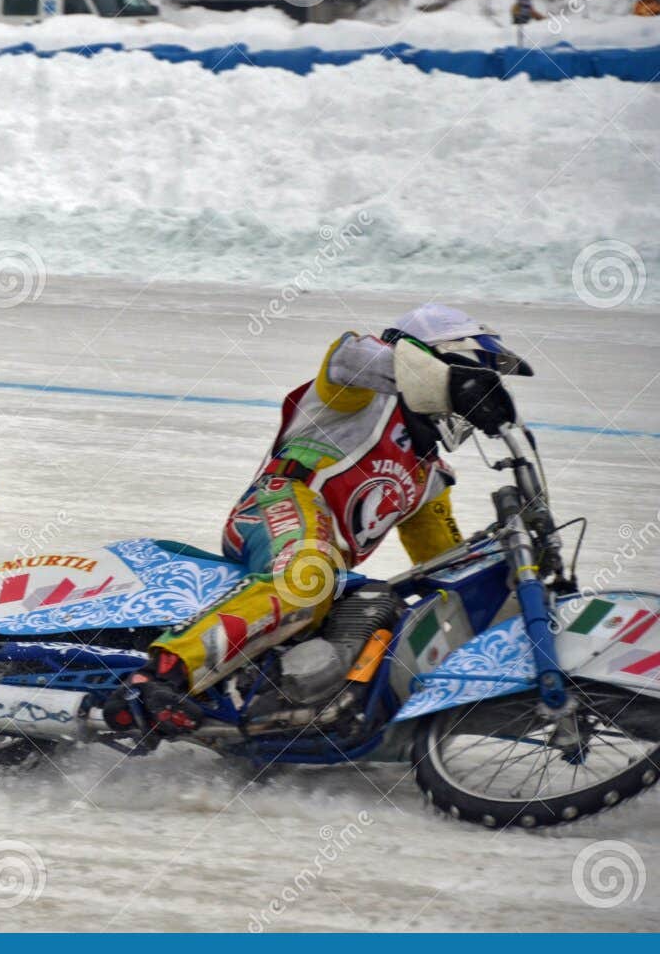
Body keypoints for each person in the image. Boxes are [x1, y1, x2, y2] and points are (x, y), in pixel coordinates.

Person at [107, 305, 532, 737]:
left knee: (388, 615)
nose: (475, 397)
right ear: (435, 355)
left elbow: (449, 561)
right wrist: (450, 383)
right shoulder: (361, 393)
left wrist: (521, 578)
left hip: (330, 568)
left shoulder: (431, 476)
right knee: (308, 576)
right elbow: (349, 356)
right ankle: (160, 676)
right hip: (279, 503)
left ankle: (294, 720)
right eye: (475, 374)